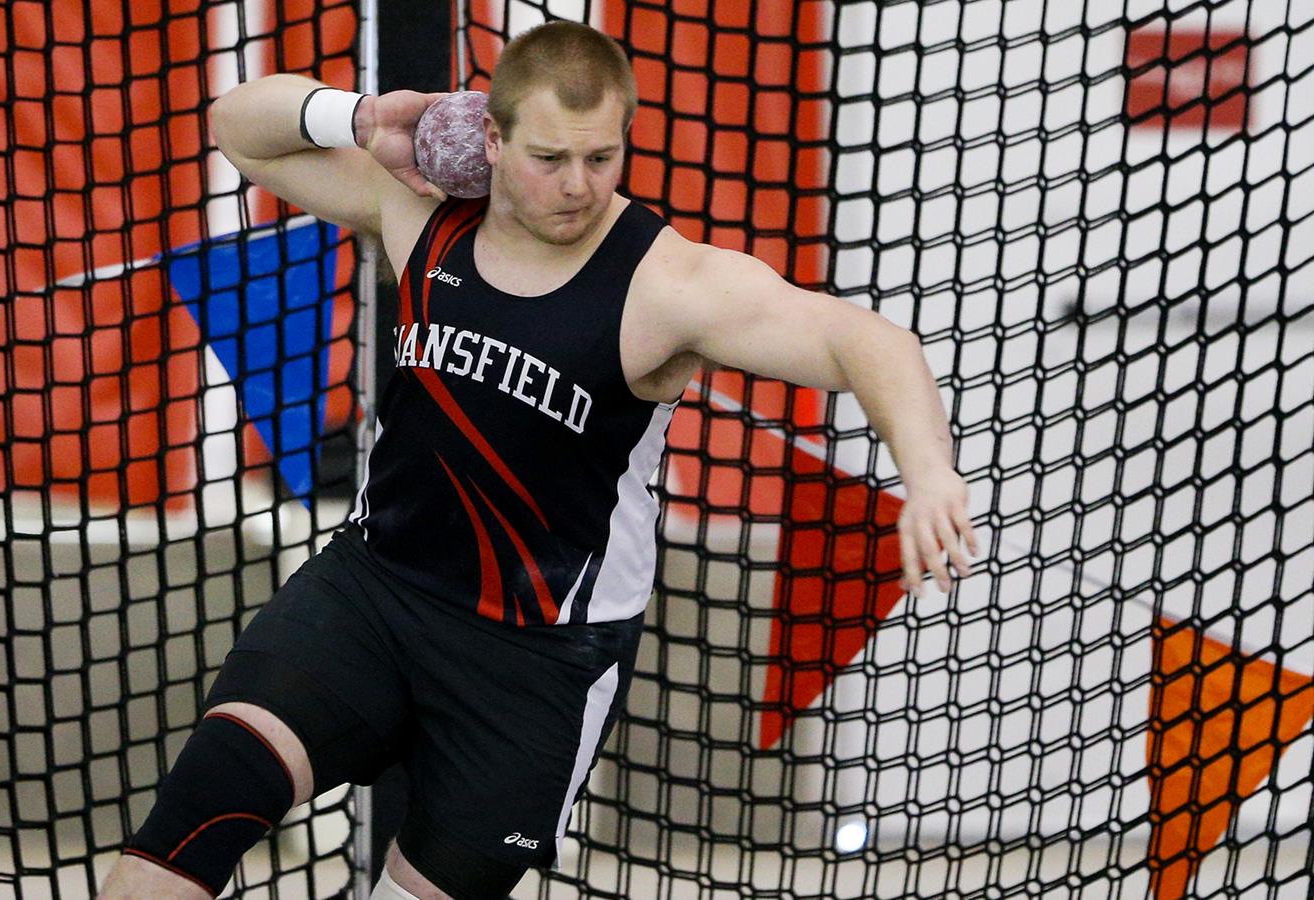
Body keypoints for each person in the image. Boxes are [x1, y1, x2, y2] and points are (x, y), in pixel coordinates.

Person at [102, 20, 978, 900]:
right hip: (370, 597)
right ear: (490, 136)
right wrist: (362, 114)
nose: (578, 187)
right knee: (174, 848)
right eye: (550, 158)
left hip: (534, 667)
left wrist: (929, 471)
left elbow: (866, 340)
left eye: (601, 158)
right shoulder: (422, 215)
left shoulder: (666, 289)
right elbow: (240, 128)